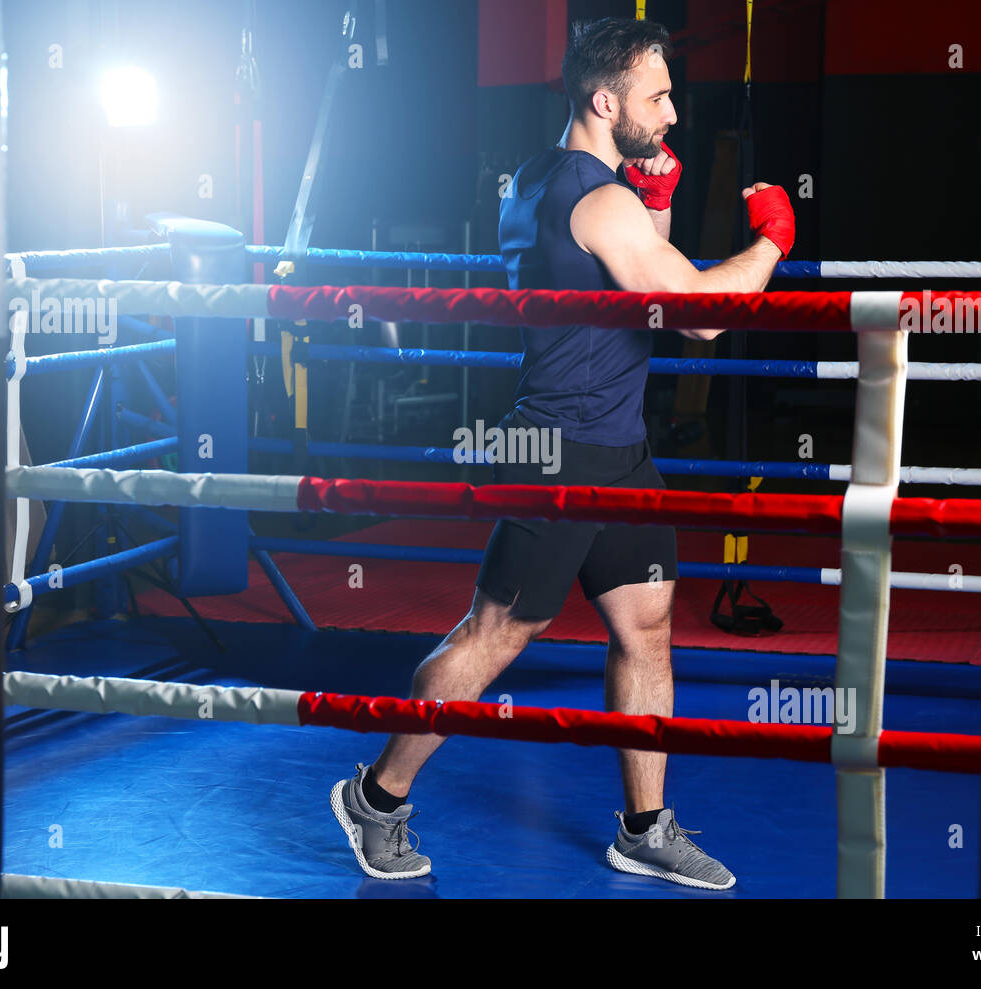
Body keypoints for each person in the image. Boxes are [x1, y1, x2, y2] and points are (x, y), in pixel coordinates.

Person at [331, 16, 794, 889]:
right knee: (494, 635)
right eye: (656, 99)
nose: (671, 116)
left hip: (618, 449)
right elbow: (697, 312)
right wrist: (772, 239)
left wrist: (654, 199)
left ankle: (645, 827)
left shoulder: (540, 176)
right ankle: (375, 799)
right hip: (562, 455)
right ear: (603, 99)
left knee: (646, 630)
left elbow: (615, 277)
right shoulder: (599, 198)